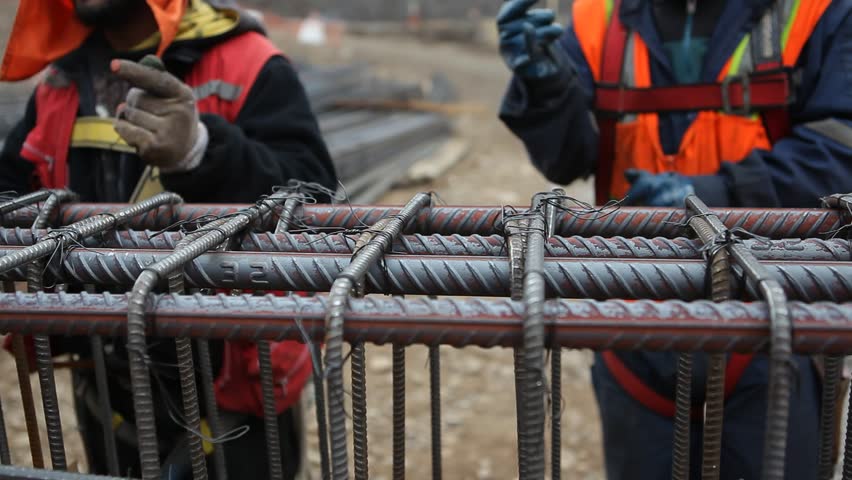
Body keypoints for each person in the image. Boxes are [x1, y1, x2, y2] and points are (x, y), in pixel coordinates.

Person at [498, 0, 852, 478]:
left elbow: (841, 149)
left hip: (778, 324)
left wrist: (717, 195)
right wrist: (545, 88)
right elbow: (569, 156)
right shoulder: (598, 17)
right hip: (636, 325)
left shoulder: (818, 11)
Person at [0, 0, 336, 478]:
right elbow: (13, 183)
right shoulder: (62, 79)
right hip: (105, 390)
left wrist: (201, 151)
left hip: (233, 400)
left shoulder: (249, 62)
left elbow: (314, 202)